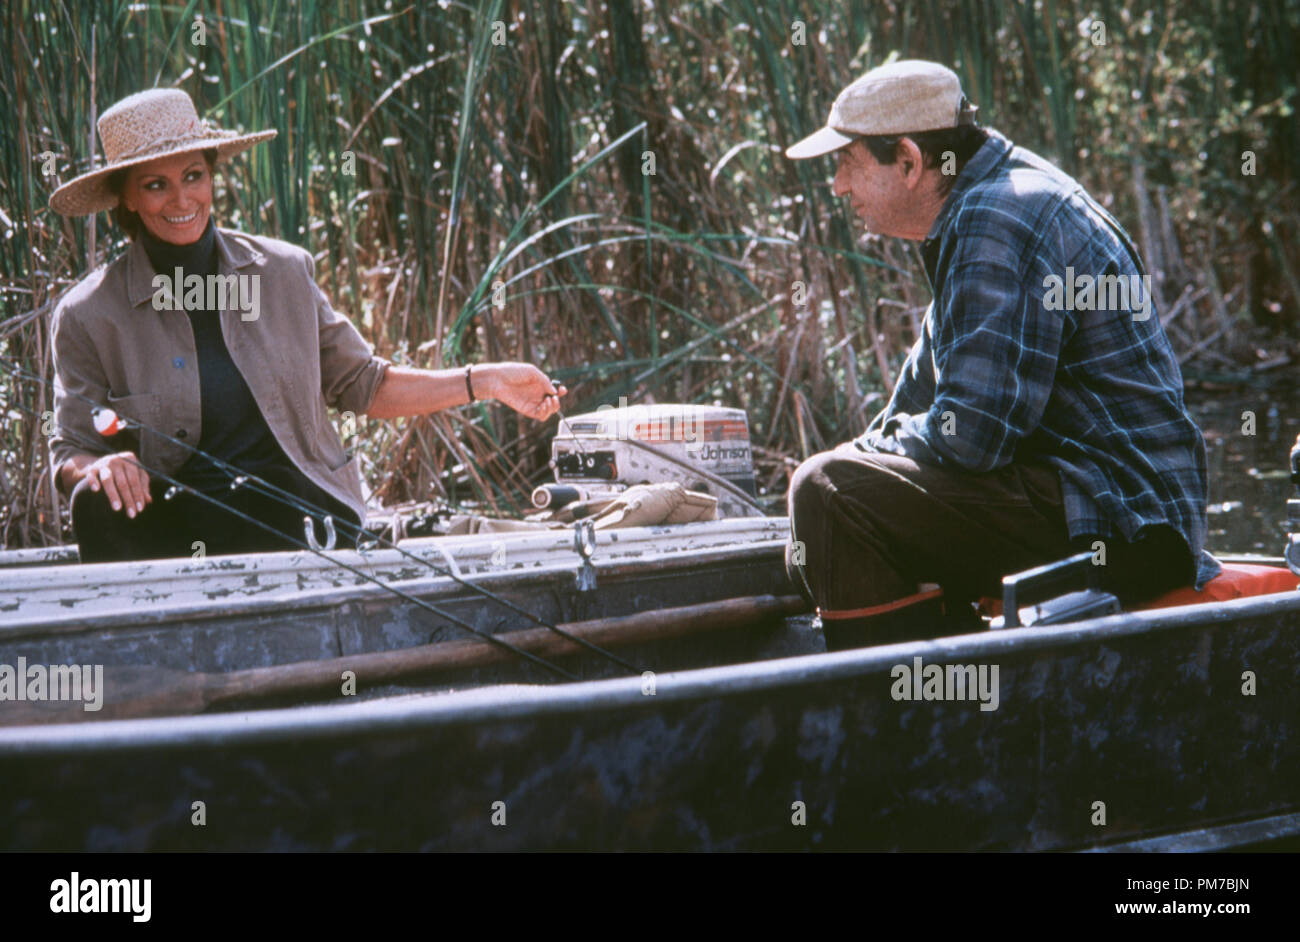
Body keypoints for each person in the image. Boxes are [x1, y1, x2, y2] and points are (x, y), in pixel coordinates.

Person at [782, 60, 1219, 650]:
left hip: (1127, 521)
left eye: (847, 163)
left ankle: (899, 722)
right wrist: (859, 462)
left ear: (909, 162)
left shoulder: (999, 217)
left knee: (827, 491)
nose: (837, 185)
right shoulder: (981, 206)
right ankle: (941, 683)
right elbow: (913, 406)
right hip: (1091, 502)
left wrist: (840, 480)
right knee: (825, 501)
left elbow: (971, 439)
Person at [47, 88, 564, 563]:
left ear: (211, 176)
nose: (182, 200)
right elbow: (71, 448)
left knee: (263, 498)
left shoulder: (283, 273)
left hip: (294, 512)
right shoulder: (88, 314)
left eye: (193, 176)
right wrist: (97, 468)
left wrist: (486, 381)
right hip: (183, 530)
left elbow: (366, 385)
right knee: (96, 503)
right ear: (127, 198)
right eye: (155, 185)